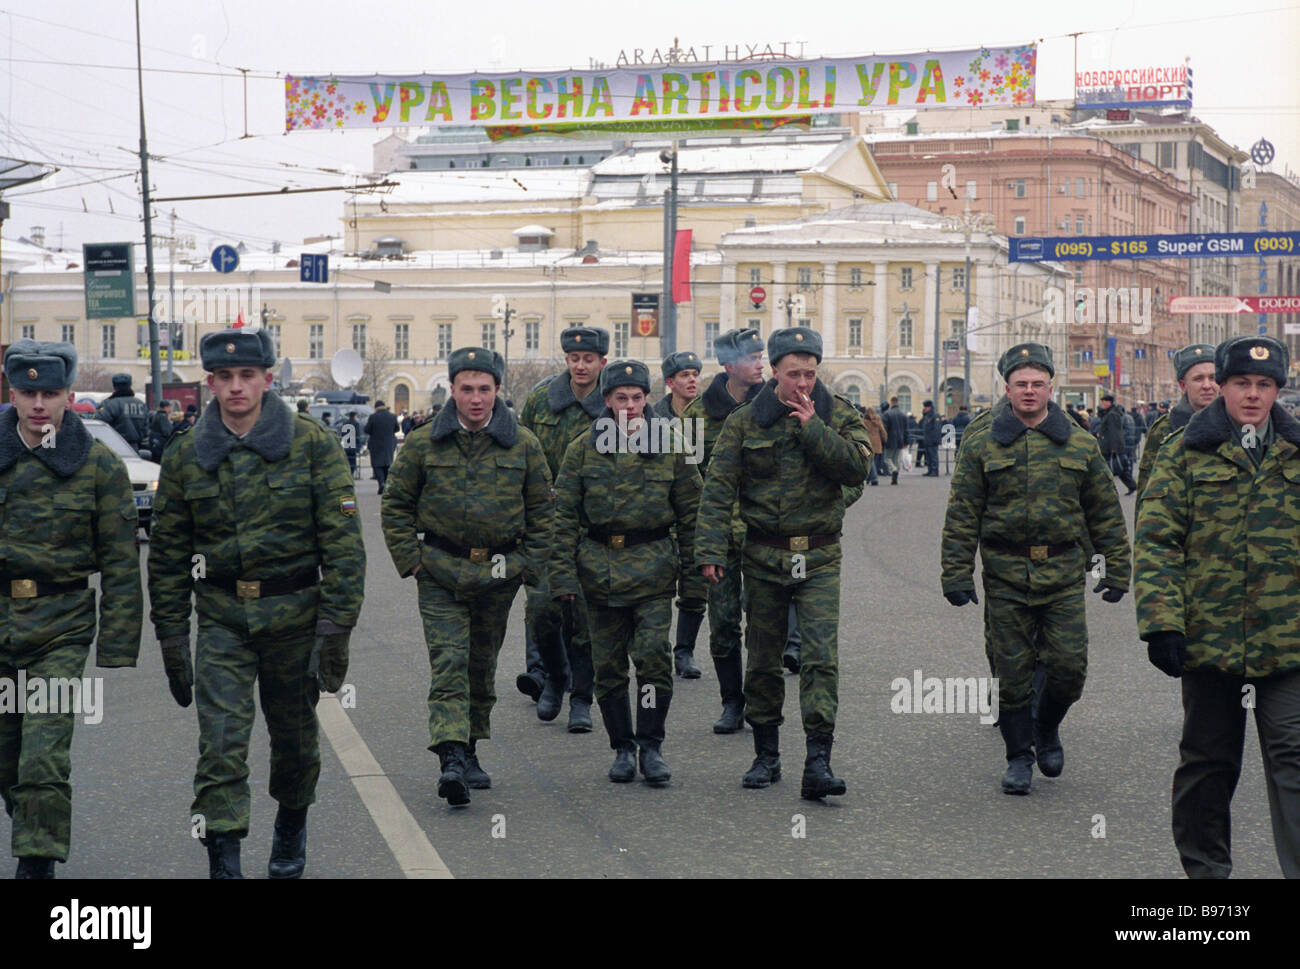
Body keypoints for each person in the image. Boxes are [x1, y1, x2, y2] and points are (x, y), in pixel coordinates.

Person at [147, 328, 365, 879]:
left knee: (293, 742)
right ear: (211, 383)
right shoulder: (186, 456)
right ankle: (225, 858)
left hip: (294, 618)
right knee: (220, 743)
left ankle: (291, 826)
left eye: (247, 376)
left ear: (268, 379)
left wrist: (336, 628)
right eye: (224, 377)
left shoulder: (311, 444)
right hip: (222, 619)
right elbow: (168, 557)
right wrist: (173, 638)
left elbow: (343, 546)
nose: (236, 387)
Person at [1135, 334, 1300, 879]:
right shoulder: (1183, 451)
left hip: (1289, 641)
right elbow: (1157, 540)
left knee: (1293, 760)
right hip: (1209, 641)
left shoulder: (1296, 450)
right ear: (1222, 387)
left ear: (1277, 389)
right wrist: (1161, 623)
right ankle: (1207, 880)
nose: (1252, 395)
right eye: (1241, 384)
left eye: (1264, 384)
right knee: (1208, 765)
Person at [941, 343, 1130, 795]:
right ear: (1007, 388)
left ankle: (1047, 728)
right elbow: (963, 511)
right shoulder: (982, 441)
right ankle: (1019, 756)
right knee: (1012, 671)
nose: (1029, 391)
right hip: (1005, 572)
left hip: (1064, 572)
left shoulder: (1081, 443)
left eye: (1037, 384)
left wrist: (1117, 568)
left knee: (1068, 669)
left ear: (1051, 388)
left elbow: (1104, 512)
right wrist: (956, 572)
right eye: (1021, 384)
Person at [696, 326, 870, 799]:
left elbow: (858, 469)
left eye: (810, 374)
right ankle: (766, 755)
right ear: (774, 373)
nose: (803, 384)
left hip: (819, 556)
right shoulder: (745, 422)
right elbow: (717, 490)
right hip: (764, 555)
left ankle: (818, 761)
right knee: (764, 660)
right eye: (794, 374)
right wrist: (710, 550)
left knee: (819, 659)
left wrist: (815, 428)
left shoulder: (837, 414)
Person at [381, 347, 553, 806]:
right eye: (466, 390)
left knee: (481, 665)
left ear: (498, 391)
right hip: (440, 571)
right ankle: (451, 757)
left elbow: (542, 512)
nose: (475, 399)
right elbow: (395, 505)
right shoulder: (422, 444)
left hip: (499, 574)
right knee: (449, 663)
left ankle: (471, 747)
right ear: (452, 391)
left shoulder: (523, 444)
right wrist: (412, 560)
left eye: (484, 389)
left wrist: (526, 567)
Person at [0, 341, 142, 879]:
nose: (39, 404)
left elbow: (120, 561)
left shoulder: (97, 465)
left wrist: (117, 643)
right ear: (12, 393)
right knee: (6, 754)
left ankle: (36, 864)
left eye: (51, 393)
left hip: (60, 627)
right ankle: (32, 824)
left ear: (69, 396)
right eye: (28, 392)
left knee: (43, 754)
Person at [553, 360, 705, 785]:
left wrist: (694, 580)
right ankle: (622, 746)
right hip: (598, 574)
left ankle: (651, 745)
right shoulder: (583, 447)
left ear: (647, 400)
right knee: (609, 669)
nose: (630, 406)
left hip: (653, 571)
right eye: (621, 398)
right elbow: (563, 516)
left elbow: (692, 515)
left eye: (638, 398)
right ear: (607, 400)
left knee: (654, 660)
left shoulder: (671, 443)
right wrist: (563, 578)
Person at [516, 326, 608, 732]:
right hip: (548, 524)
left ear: (602, 361)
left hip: (595, 526)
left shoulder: (617, 399)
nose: (581, 365)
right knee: (542, 610)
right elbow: (519, 455)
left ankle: (582, 699)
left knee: (585, 617)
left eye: (589, 359)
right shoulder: (540, 400)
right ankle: (553, 676)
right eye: (574, 359)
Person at [682, 328, 764, 733]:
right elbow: (687, 477)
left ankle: (761, 700)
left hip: (766, 532)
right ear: (729, 365)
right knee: (725, 621)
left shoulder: (774, 406)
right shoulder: (698, 416)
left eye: (761, 356)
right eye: (751, 357)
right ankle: (732, 702)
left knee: (765, 622)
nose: (760, 364)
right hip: (720, 536)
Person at [649, 350, 705, 679]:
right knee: (656, 587)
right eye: (684, 375)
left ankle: (685, 651)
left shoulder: (708, 417)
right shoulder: (654, 418)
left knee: (695, 585)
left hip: (699, 512)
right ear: (670, 383)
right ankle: (656, 649)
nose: (692, 380)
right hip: (664, 515)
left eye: (695, 374)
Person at [1135, 344, 1218, 504]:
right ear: (1183, 386)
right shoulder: (1164, 429)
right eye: (1198, 379)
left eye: (1213, 377)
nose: (1207, 385)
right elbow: (1146, 493)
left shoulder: (1238, 425)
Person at [1096, 394, 1137, 494]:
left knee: (1112, 468)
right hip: (1108, 445)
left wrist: (1114, 447)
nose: (1102, 404)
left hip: (1110, 446)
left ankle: (1107, 491)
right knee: (1120, 469)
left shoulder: (1112, 414)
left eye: (1104, 401)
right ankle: (1132, 486)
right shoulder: (1109, 413)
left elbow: (1115, 431)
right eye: (1102, 402)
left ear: (1109, 402)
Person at [96, 373, 150, 449]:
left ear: (114, 386)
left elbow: (99, 424)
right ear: (130, 385)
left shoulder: (109, 404)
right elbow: (146, 428)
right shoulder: (141, 404)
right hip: (135, 448)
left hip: (114, 447)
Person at [363, 401, 399, 496]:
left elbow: (367, 430)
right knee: (387, 464)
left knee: (377, 465)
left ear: (376, 407)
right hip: (388, 444)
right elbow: (397, 429)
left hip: (376, 444)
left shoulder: (373, 417)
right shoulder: (392, 416)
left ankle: (381, 483)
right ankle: (386, 485)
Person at [882, 396, 908, 484]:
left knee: (887, 458)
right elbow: (906, 429)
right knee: (896, 459)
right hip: (900, 440)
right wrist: (906, 441)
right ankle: (895, 477)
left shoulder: (887, 414)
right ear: (898, 402)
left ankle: (893, 470)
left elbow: (884, 429)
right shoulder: (903, 414)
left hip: (890, 440)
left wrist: (884, 440)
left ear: (891, 402)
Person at [862, 405, 886, 485]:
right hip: (877, 443)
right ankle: (871, 478)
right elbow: (883, 431)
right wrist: (885, 439)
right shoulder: (878, 421)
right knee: (874, 462)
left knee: (870, 461)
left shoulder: (864, 421)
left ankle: (873, 478)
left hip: (868, 443)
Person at [920, 400, 941, 477]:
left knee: (933, 456)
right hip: (927, 439)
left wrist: (935, 439)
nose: (924, 408)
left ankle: (935, 471)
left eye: (926, 407)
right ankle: (930, 470)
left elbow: (937, 428)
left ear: (930, 407)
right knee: (928, 456)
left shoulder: (935, 415)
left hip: (932, 440)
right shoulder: (927, 416)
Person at [339, 410, 362, 477]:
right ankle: (351, 473)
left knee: (347, 459)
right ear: (355, 416)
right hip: (353, 443)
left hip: (346, 443)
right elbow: (357, 434)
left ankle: (348, 473)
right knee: (353, 460)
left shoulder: (345, 423)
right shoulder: (356, 423)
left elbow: (342, 433)